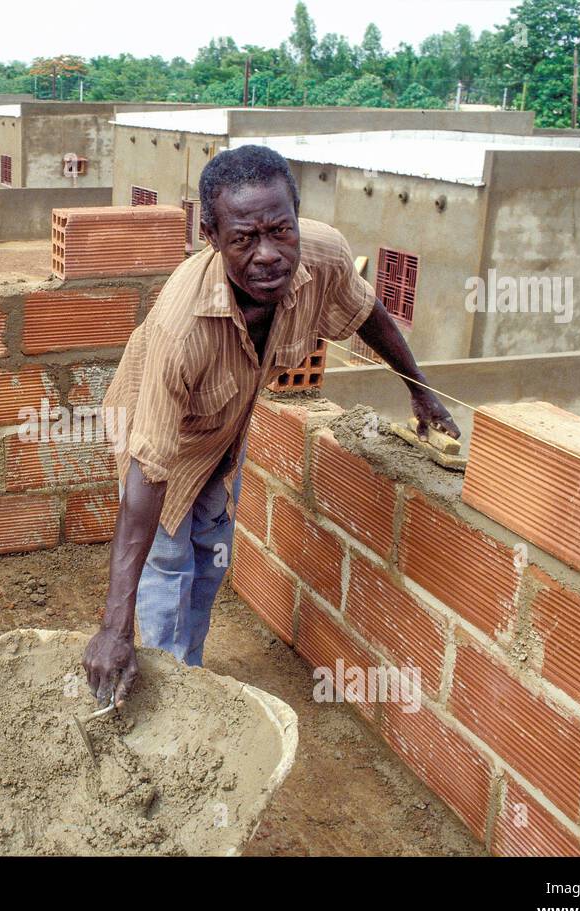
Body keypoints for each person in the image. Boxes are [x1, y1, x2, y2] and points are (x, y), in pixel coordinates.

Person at [82, 144, 460, 706]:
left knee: (211, 553)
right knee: (167, 561)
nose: (268, 255)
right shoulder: (180, 330)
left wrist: (421, 392)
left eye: (281, 231)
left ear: (296, 215)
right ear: (210, 235)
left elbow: (368, 315)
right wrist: (114, 625)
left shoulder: (325, 256)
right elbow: (148, 473)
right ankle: (155, 697)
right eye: (243, 239)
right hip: (154, 433)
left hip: (222, 430)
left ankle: (189, 674)